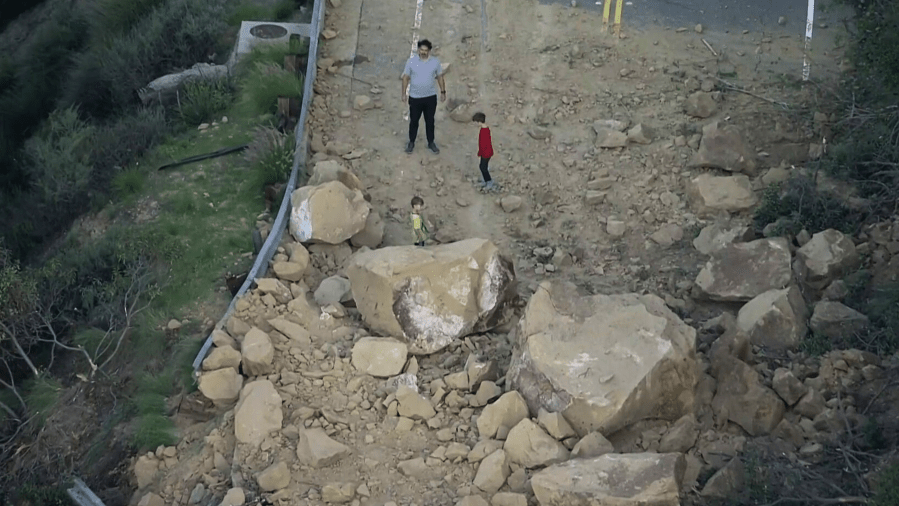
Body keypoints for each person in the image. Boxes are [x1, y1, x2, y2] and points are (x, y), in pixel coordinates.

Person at [402, 39, 446, 154]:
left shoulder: (435, 62)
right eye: (421, 50)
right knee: (414, 121)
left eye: (425, 50)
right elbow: (405, 78)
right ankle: (411, 142)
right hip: (415, 98)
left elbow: (440, 77)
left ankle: (431, 142)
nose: (423, 52)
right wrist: (404, 93)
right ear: (418, 50)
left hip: (430, 97)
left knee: (430, 121)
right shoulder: (411, 62)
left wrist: (443, 92)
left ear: (429, 51)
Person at [472, 112, 495, 190]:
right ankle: (486, 180)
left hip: (486, 153)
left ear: (479, 122)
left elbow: (484, 144)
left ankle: (489, 182)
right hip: (486, 152)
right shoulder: (485, 129)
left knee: (483, 167)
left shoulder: (484, 131)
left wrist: (481, 153)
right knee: (483, 167)